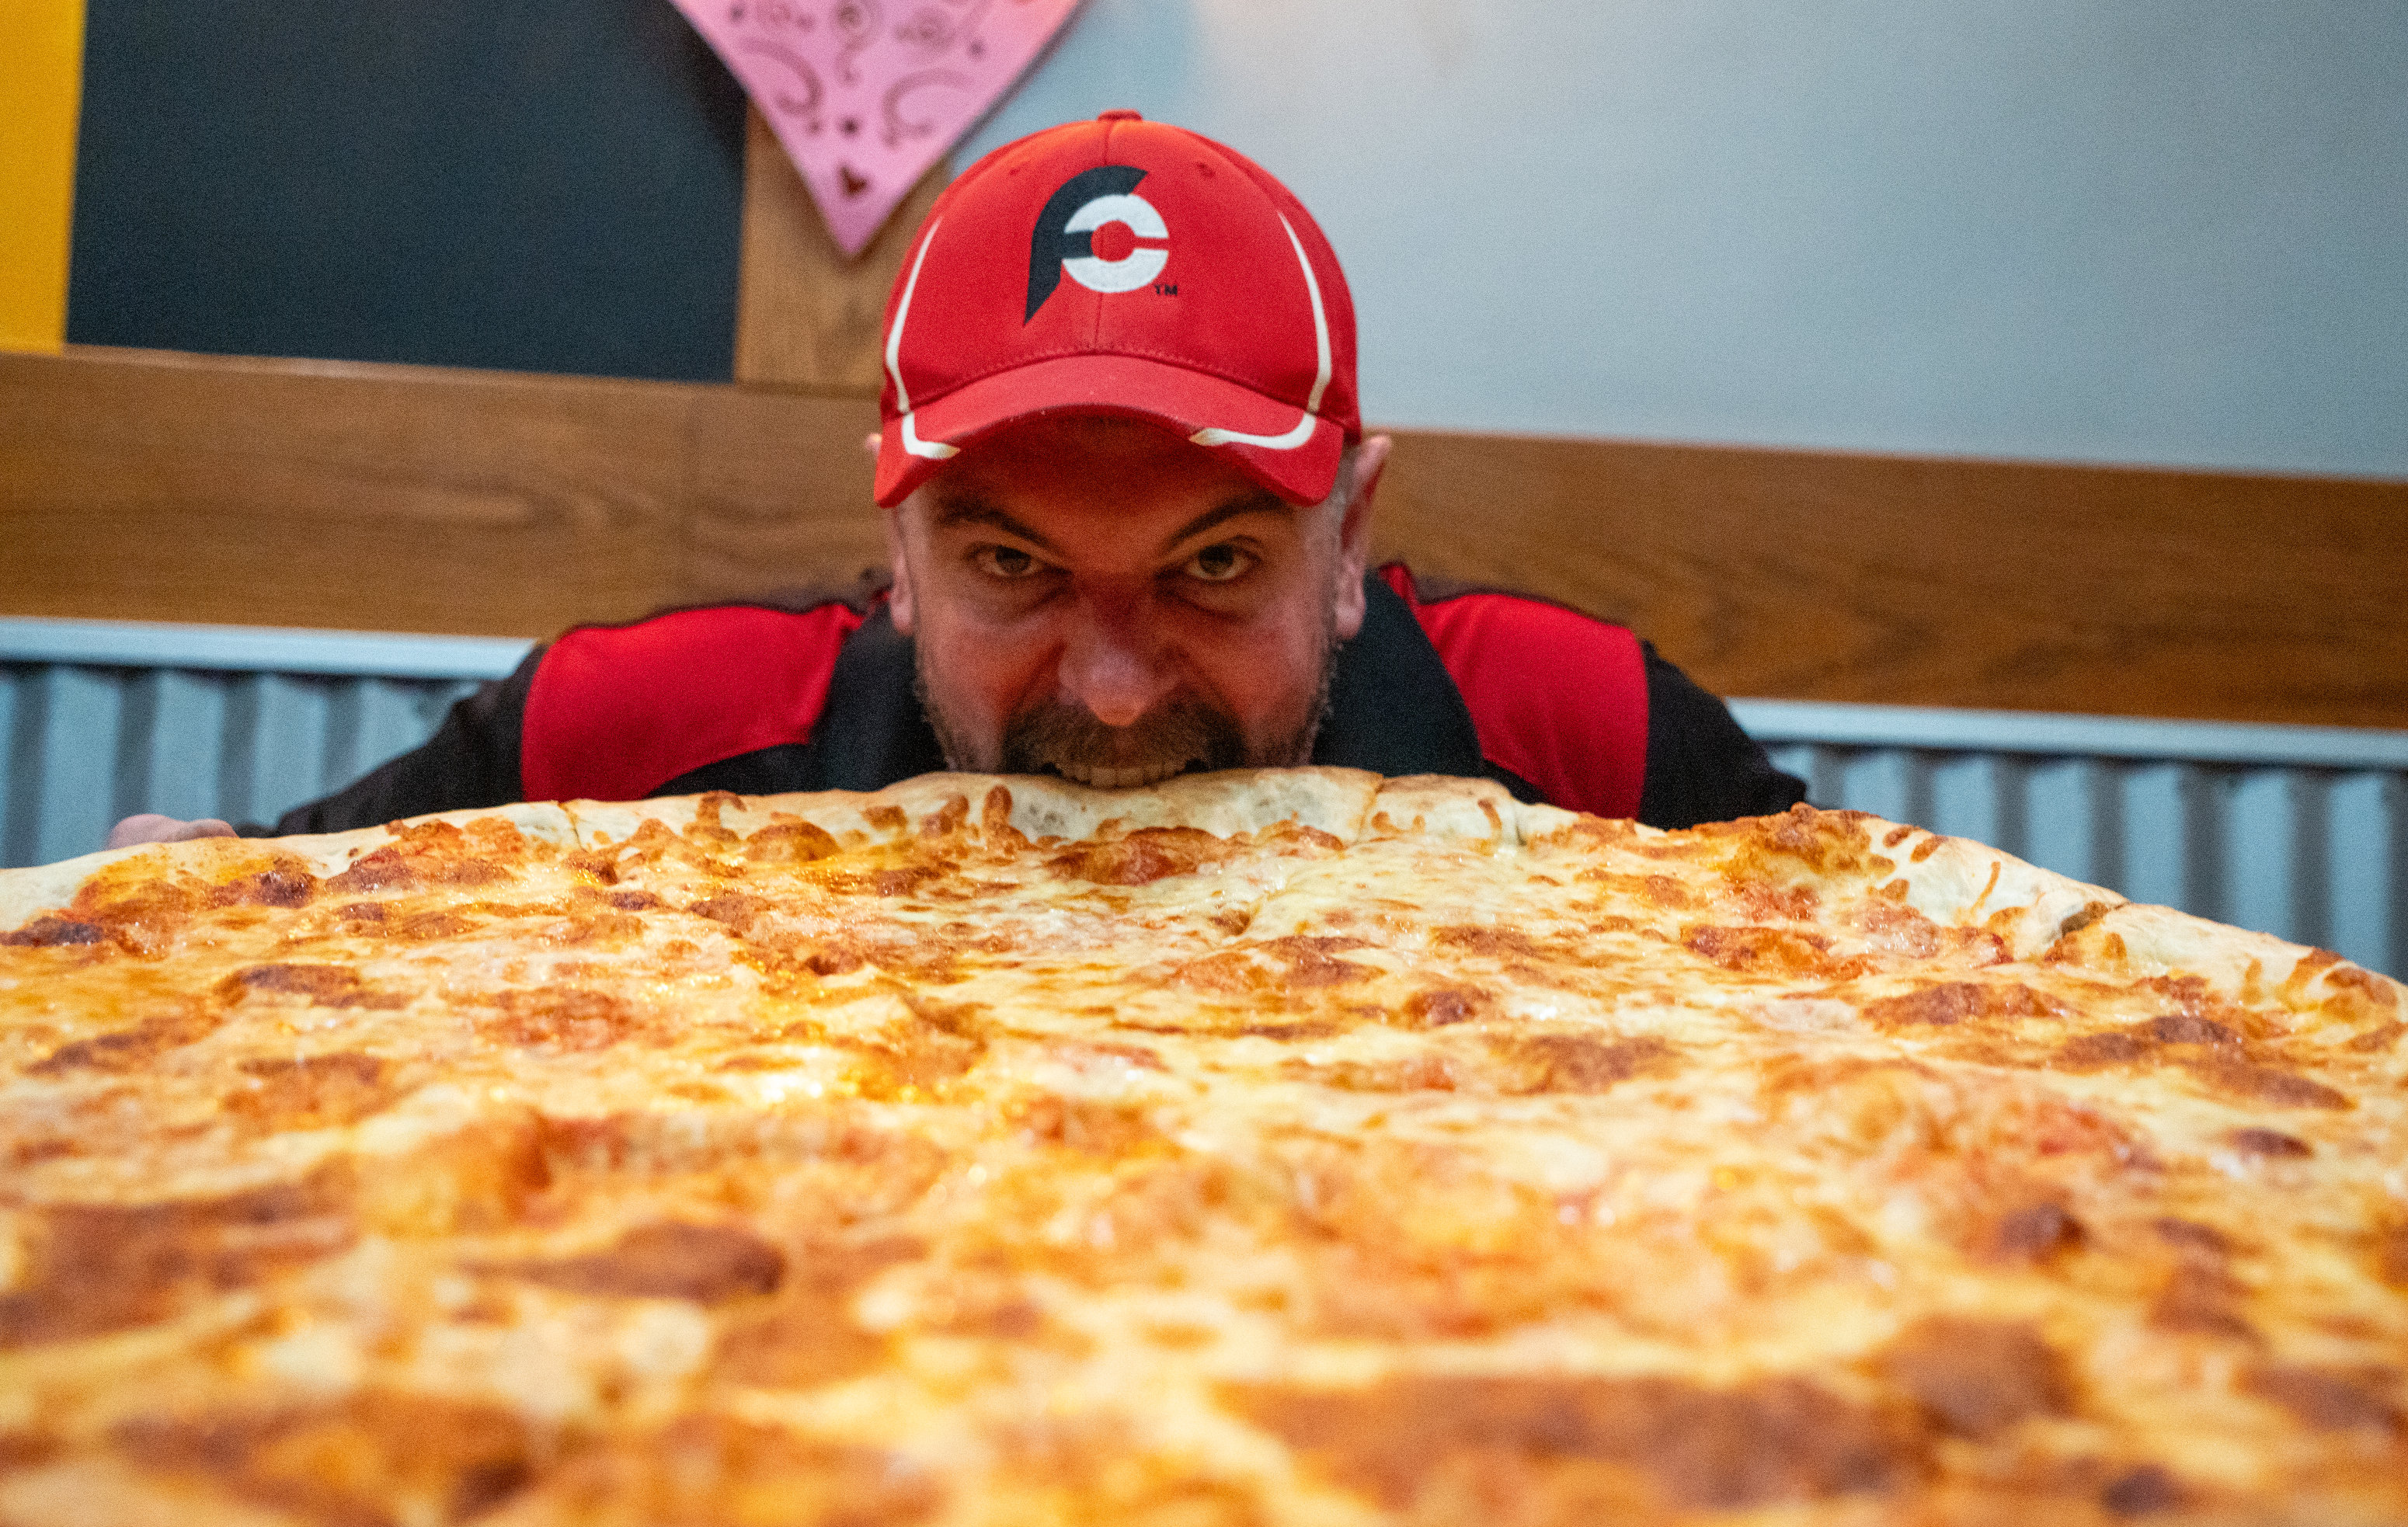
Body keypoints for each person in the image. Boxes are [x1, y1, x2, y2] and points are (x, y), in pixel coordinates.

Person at [109, 110, 1801, 852]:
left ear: (1348, 534)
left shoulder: (1594, 746)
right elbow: (233, 925)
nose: (1115, 695)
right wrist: (175, 885)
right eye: (1012, 565)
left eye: (1215, 565)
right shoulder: (614, 750)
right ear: (898, 544)